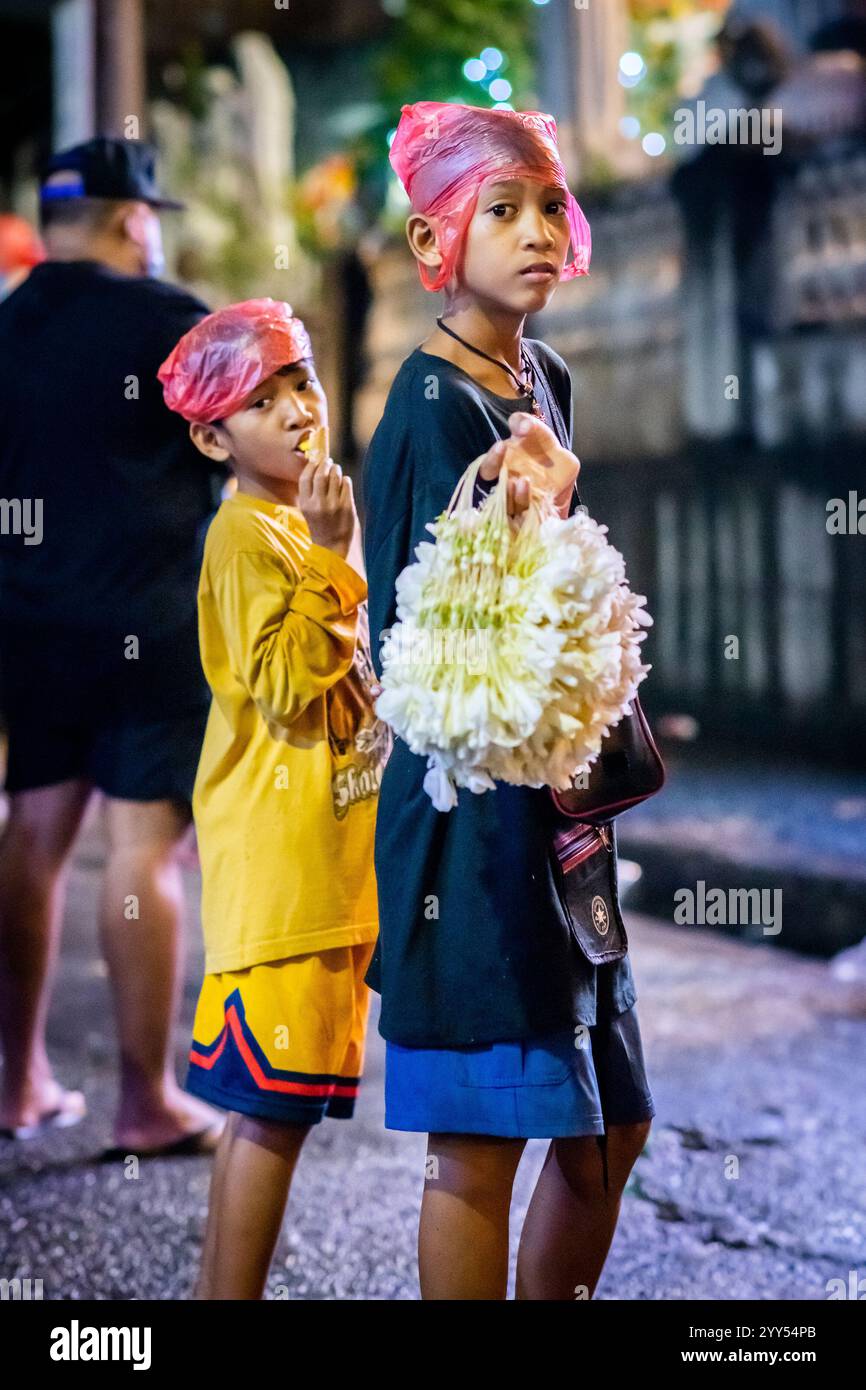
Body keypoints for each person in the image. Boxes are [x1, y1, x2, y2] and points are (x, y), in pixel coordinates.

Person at [362, 101, 656, 1300]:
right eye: (500, 210)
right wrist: (514, 515)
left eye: (548, 206)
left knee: (609, 1130)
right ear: (438, 242)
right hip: (467, 833)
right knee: (475, 1153)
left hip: (561, 814)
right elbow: (407, 645)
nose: (536, 230)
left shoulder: (545, 376)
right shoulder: (426, 409)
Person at [0, 138, 223, 1154]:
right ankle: (145, 1101)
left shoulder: (7, 325)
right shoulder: (173, 322)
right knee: (143, 850)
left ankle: (18, 1083)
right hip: (150, 626)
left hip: (29, 622)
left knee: (33, 836)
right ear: (135, 220)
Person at [159, 300, 384, 1299]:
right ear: (213, 436)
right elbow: (293, 684)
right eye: (263, 398)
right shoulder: (249, 536)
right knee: (269, 1116)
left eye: (301, 381)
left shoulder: (294, 523)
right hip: (284, 890)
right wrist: (336, 560)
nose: (298, 409)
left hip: (315, 880)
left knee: (270, 1116)